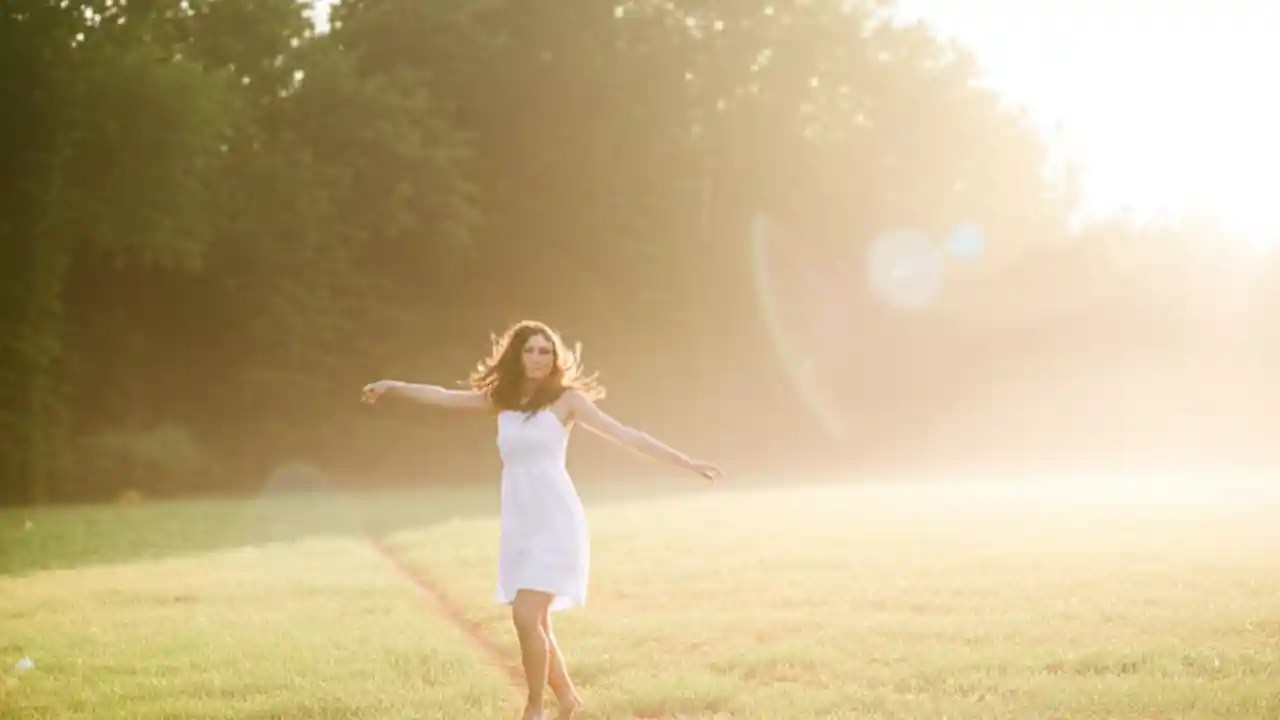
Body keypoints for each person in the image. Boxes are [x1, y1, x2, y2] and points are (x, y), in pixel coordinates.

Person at [360, 319, 725, 720]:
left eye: (545, 351)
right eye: (530, 350)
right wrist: (393, 386)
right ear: (517, 355)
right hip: (520, 520)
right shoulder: (503, 398)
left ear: (555, 358)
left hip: (556, 517)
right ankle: (567, 699)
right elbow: (444, 396)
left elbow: (624, 434)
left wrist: (686, 462)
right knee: (538, 622)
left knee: (525, 616)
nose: (537, 357)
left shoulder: (567, 401)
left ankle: (534, 708)